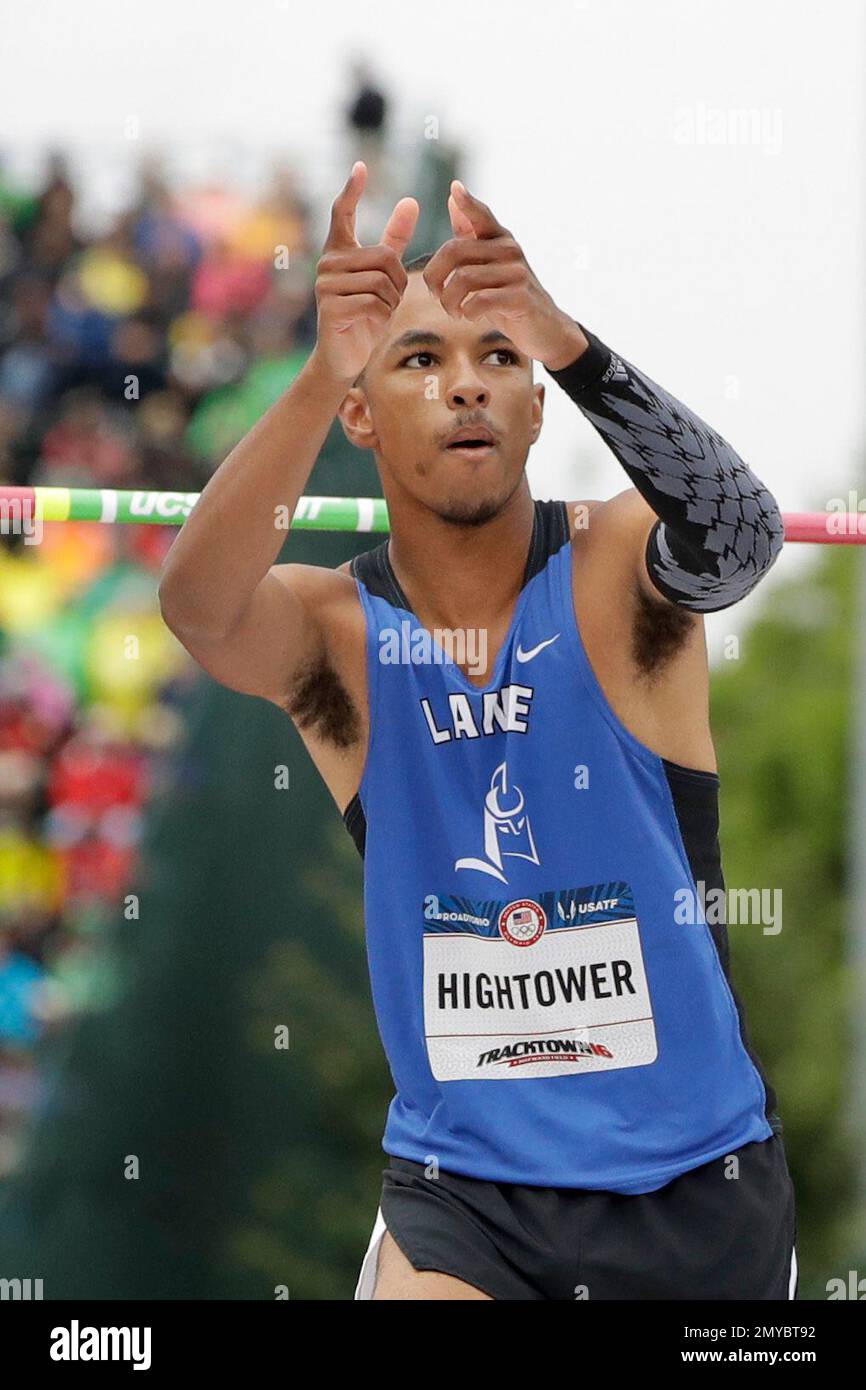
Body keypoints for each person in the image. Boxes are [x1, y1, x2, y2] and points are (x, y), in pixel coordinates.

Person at [158, 161, 797, 1301]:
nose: (466, 385)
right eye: (419, 359)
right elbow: (199, 610)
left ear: (534, 402)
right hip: (467, 1198)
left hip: (699, 1191)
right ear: (362, 410)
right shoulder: (337, 632)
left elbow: (742, 535)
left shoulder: (611, 564)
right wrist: (316, 374)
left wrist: (561, 334)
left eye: (495, 358)